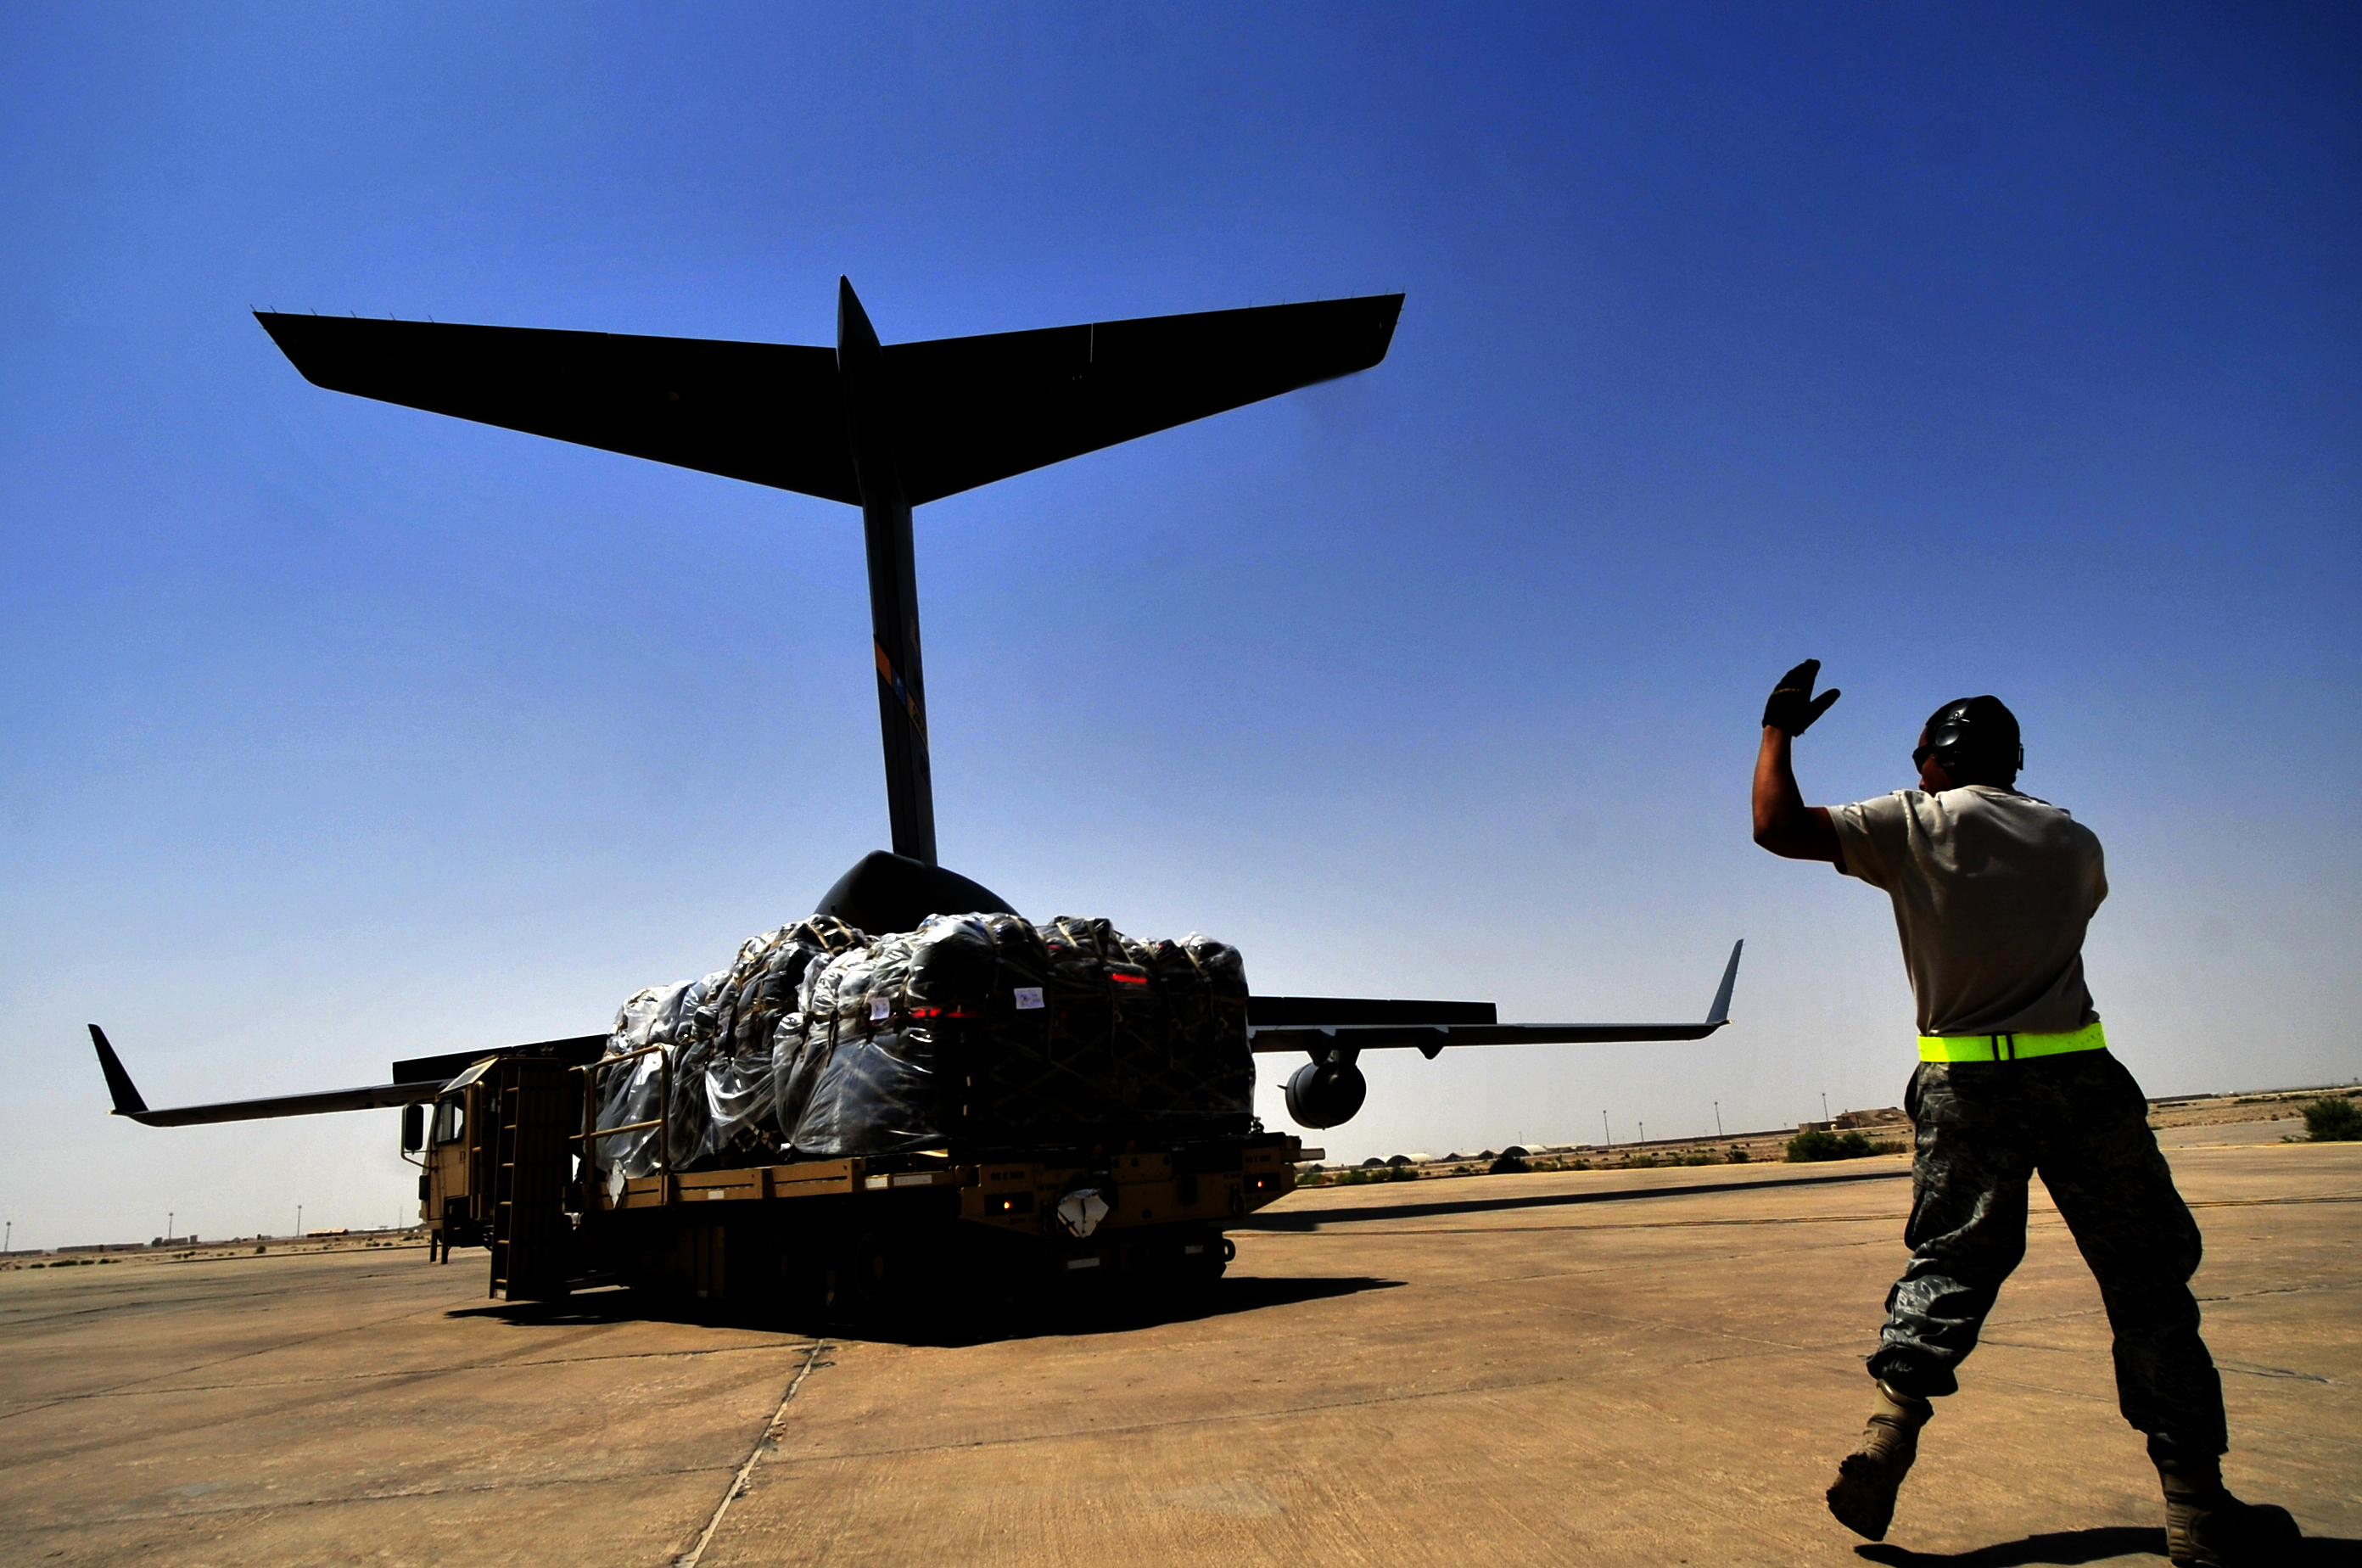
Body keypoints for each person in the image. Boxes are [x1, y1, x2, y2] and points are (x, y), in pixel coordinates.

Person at [1749, 659, 2299, 1567]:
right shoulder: (2073, 841)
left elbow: (1773, 826)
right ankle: (2197, 1508)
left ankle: (1888, 1436)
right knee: (2149, 1286)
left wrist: (1778, 729)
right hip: (2081, 1078)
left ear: (1931, 758)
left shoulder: (1912, 822)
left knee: (1951, 1265)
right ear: (2011, 762)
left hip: (1964, 1088)